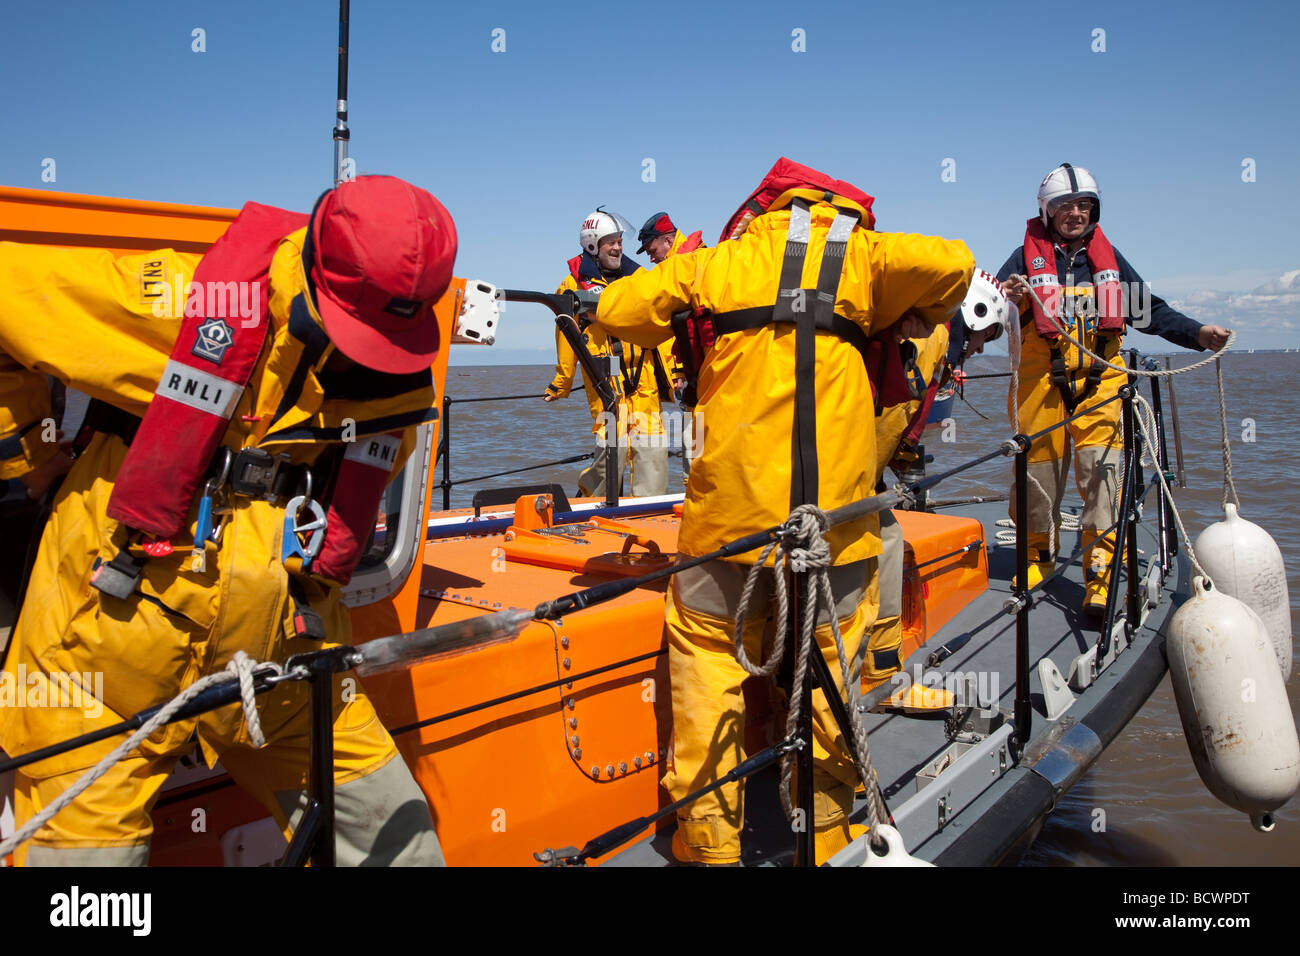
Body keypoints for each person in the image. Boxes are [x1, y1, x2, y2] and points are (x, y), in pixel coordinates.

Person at [0, 174, 452, 866]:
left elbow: (378, 467)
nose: (371, 352)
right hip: (109, 641)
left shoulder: (397, 375)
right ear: (312, 275)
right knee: (84, 876)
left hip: (284, 646)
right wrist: (30, 454)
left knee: (402, 842)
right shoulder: (174, 300)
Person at [595, 158, 974, 865]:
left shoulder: (712, 263)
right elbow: (955, 266)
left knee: (709, 668)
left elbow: (616, 312)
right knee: (832, 677)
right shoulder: (867, 257)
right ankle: (827, 837)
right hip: (838, 531)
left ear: (759, 210)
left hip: (728, 527)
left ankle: (707, 844)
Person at [997, 163, 1229, 616]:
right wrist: (1005, 299)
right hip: (1039, 386)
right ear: (1046, 211)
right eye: (1066, 206)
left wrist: (1198, 333)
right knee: (1035, 476)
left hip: (1103, 384)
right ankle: (1035, 554)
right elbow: (984, 312)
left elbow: (1150, 311)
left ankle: (1100, 572)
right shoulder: (1023, 260)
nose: (1076, 213)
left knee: (1102, 477)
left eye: (1084, 205)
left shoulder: (1110, 261)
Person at [544, 209, 669, 497]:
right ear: (592, 245)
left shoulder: (640, 279)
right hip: (604, 376)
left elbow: (658, 324)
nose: (618, 248)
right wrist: (562, 381)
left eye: (619, 242)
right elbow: (566, 334)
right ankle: (592, 499)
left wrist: (673, 370)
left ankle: (649, 513)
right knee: (613, 444)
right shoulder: (573, 285)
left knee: (653, 447)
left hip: (643, 374)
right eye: (610, 242)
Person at [636, 211, 707, 484]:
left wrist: (680, 371)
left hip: (699, 377)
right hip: (697, 375)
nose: (651, 258)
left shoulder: (684, 267)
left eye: (652, 250)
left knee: (695, 447)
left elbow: (686, 327)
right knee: (697, 444)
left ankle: (695, 507)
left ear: (667, 241)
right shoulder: (693, 261)